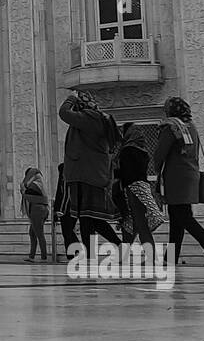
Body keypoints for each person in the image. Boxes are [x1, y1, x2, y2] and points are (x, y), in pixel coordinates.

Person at [153, 97, 204, 266]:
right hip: (191, 175)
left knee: (184, 217)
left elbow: (160, 154)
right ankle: (171, 259)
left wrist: (156, 170)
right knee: (177, 219)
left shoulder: (170, 127)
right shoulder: (190, 127)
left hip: (176, 178)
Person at [58, 92, 122, 248]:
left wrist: (71, 98)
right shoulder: (100, 118)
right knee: (89, 217)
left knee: (89, 217)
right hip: (94, 174)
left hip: (85, 174)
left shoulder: (89, 118)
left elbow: (64, 113)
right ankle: (96, 253)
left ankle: (115, 248)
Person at [115, 124, 156, 248]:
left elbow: (126, 173)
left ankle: (151, 257)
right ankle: (123, 257)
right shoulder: (143, 151)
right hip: (143, 188)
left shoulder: (127, 150)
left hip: (131, 190)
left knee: (137, 223)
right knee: (134, 224)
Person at [20, 166, 50, 262]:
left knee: (39, 233)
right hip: (42, 209)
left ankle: (44, 257)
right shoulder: (40, 183)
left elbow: (27, 194)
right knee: (32, 233)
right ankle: (31, 256)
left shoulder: (35, 184)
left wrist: (23, 189)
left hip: (37, 210)